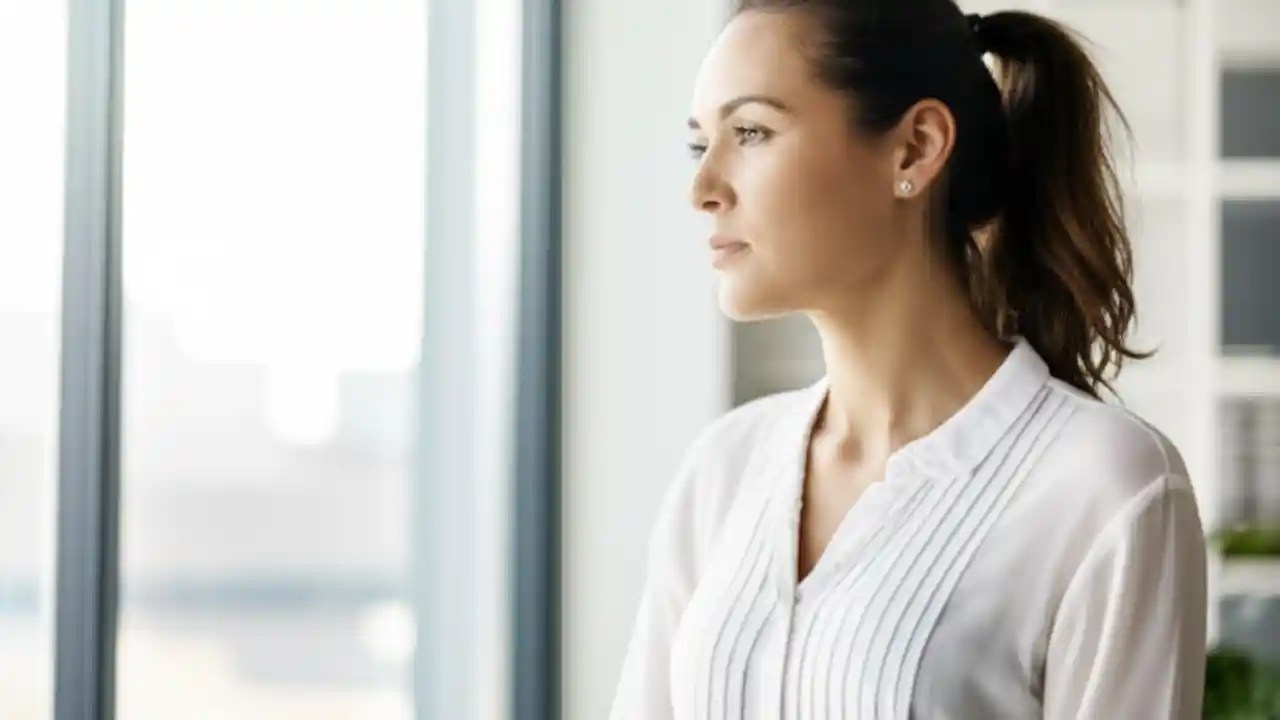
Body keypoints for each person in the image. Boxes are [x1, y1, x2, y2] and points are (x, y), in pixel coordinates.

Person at [607, 2, 1207, 719]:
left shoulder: (1105, 487)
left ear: (915, 149)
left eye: (752, 132)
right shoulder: (725, 470)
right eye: (698, 144)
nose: (703, 189)